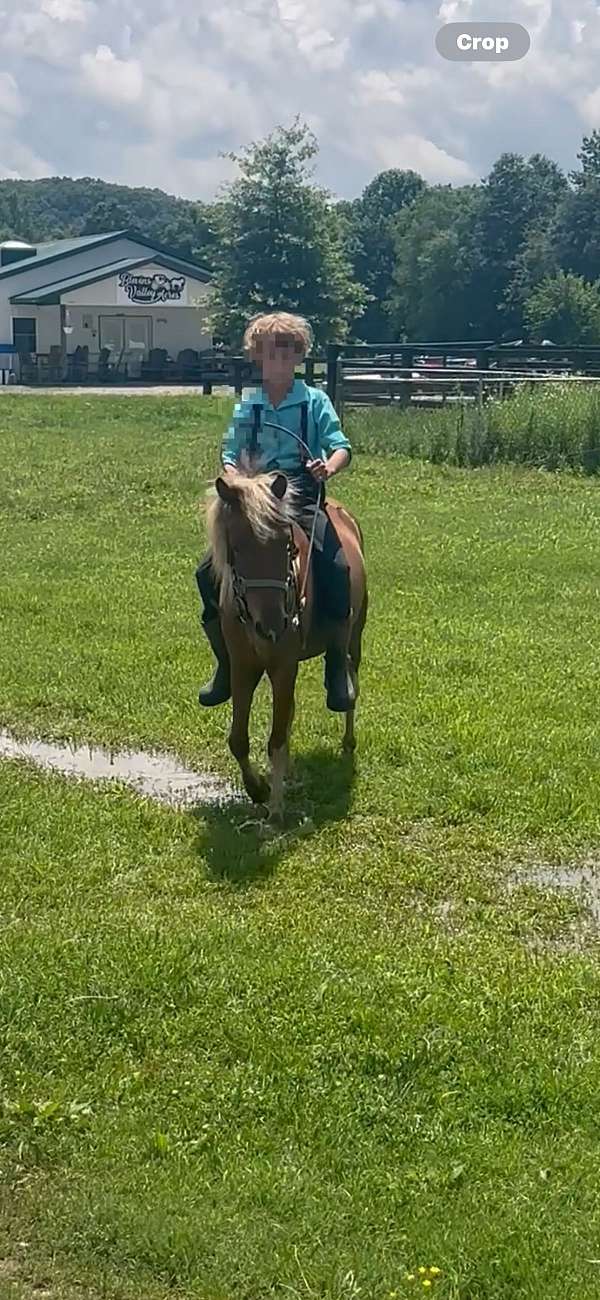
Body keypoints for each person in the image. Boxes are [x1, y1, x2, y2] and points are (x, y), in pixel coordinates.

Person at [196, 310, 356, 712]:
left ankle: (337, 663)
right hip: (256, 499)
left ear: (298, 358)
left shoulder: (314, 401)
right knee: (206, 572)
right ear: (258, 358)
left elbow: (341, 446)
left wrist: (328, 467)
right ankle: (225, 662)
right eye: (271, 355)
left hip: (301, 495)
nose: (279, 363)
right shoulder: (248, 406)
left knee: (336, 567)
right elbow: (230, 452)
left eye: (287, 355)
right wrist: (235, 480)